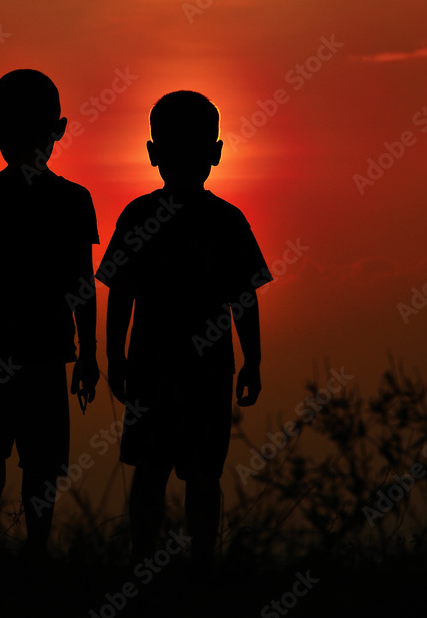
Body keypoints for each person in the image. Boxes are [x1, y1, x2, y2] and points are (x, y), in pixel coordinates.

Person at [96, 90, 271, 567]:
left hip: (158, 365)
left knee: (155, 473)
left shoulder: (140, 215)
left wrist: (114, 356)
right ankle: (200, 565)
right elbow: (244, 298)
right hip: (204, 370)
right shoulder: (228, 220)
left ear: (153, 153)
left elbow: (120, 294)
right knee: (199, 474)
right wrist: (252, 360)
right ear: (216, 152)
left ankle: (147, 562)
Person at [0, 69, 100, 558]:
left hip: (4, 352)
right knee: (35, 460)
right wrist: (89, 352)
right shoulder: (71, 200)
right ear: (59, 127)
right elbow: (82, 284)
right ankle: (32, 554)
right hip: (41, 353)